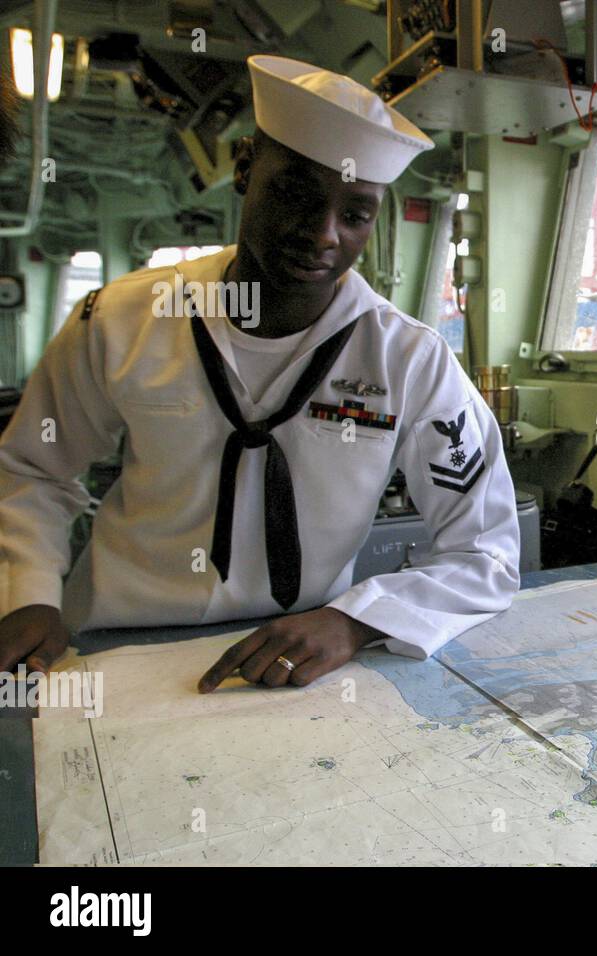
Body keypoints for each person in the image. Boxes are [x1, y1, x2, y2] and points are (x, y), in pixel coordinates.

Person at [0, 56, 520, 692]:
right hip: (112, 645)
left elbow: (485, 552)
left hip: (291, 657)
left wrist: (356, 621)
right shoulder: (119, 320)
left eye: (355, 214)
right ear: (246, 167)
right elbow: (32, 470)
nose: (322, 234)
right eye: (296, 194)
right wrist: (28, 591)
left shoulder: (408, 360)